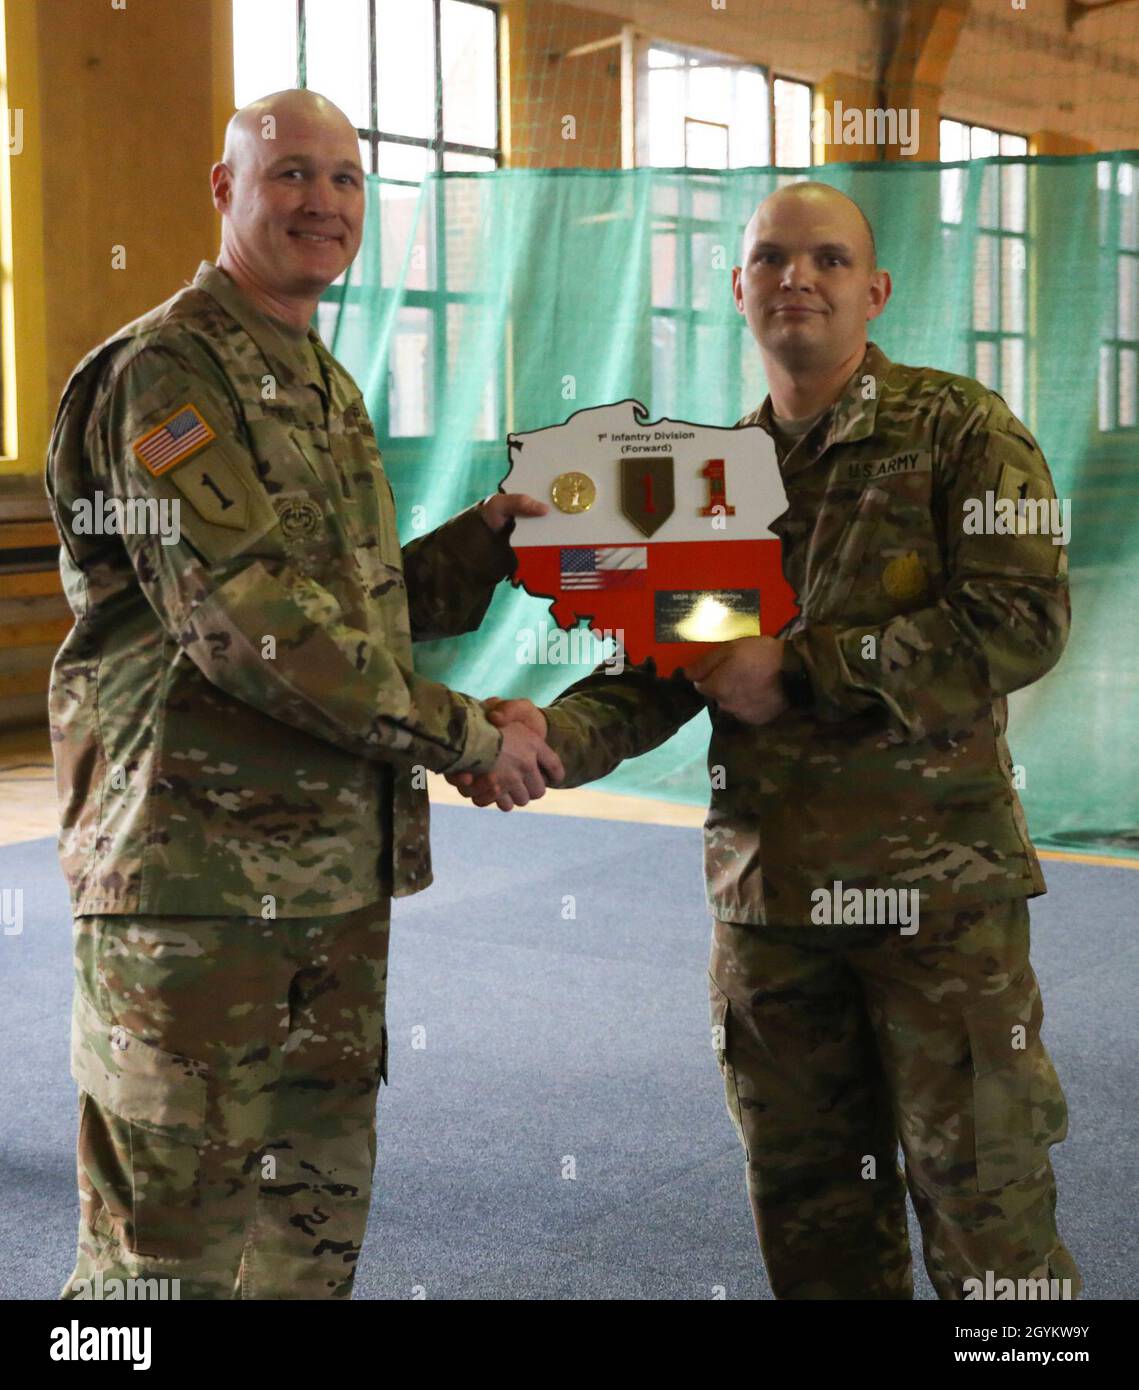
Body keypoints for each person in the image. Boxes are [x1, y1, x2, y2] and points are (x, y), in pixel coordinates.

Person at [451, 182, 1081, 1300]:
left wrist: (798, 666)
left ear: (872, 290)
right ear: (738, 288)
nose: (798, 278)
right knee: (811, 1222)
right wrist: (548, 732)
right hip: (770, 912)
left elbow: (1019, 620)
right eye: (772, 259)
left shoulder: (958, 430)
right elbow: (661, 673)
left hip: (934, 909)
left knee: (987, 1219)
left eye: (828, 260)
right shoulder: (707, 488)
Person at [44, 88, 562, 1300]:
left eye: (344, 179)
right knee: (154, 1263)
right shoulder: (169, 371)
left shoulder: (317, 380)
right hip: (195, 892)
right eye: (289, 174)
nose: (321, 202)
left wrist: (491, 532)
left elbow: (353, 604)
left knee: (304, 1232)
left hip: (326, 883)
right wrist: (467, 734)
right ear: (226, 190)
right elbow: (251, 627)